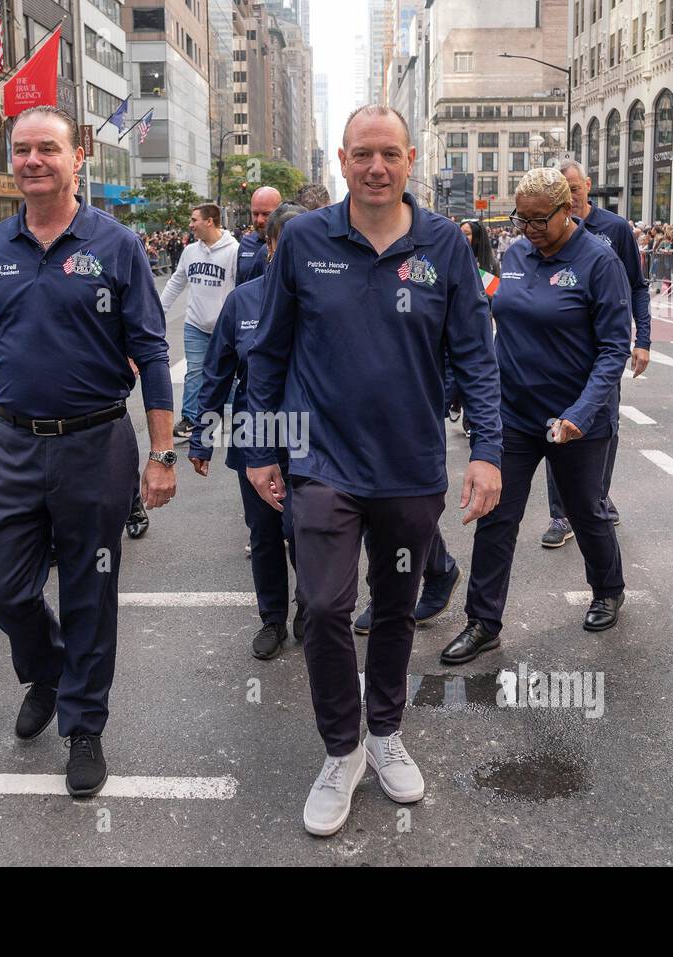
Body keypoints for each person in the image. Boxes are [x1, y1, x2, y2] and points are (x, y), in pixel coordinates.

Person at [245, 105, 502, 837]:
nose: (376, 167)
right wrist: (262, 447)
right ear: (342, 159)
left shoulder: (445, 244)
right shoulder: (301, 240)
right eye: (363, 154)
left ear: (410, 158)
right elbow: (268, 352)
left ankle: (384, 730)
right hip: (322, 462)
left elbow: (477, 359)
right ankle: (342, 746)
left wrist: (487, 451)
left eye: (389, 153)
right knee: (324, 606)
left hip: (410, 467)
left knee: (394, 607)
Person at [0, 106, 177, 799]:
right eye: (21, 150)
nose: (33, 160)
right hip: (8, 443)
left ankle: (83, 726)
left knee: (88, 589)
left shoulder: (117, 244)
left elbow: (152, 352)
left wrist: (161, 452)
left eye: (49, 148)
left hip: (95, 443)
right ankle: (47, 668)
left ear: (80, 159)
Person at [441, 167, 629, 668]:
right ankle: (482, 622)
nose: (528, 230)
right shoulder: (518, 253)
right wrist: (461, 386)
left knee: (585, 510)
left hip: (575, 420)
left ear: (568, 210)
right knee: (496, 515)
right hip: (515, 414)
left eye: (538, 220)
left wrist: (581, 413)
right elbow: (492, 324)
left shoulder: (599, 261)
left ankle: (608, 590)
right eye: (520, 220)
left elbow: (614, 349)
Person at [189, 203, 307, 660]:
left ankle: (309, 608)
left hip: (311, 436)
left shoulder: (329, 300)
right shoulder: (244, 300)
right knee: (263, 532)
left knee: (304, 529)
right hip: (253, 432)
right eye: (288, 244)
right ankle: (272, 618)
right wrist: (202, 435)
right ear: (272, 246)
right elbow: (216, 372)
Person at [538, 159, 650, 549]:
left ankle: (595, 496)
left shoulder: (615, 229)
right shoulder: (548, 232)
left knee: (605, 428)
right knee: (558, 427)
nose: (570, 194)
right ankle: (559, 513)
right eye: (562, 189)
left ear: (588, 185)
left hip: (604, 350)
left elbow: (638, 285)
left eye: (575, 187)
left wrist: (644, 340)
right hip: (560, 352)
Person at [160, 203, 238, 440]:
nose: (191, 225)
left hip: (224, 327)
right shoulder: (190, 251)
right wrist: (157, 312)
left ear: (209, 221)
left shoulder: (234, 250)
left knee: (229, 374)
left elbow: (240, 289)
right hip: (195, 324)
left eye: (194, 220)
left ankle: (242, 414)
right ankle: (191, 419)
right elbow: (176, 282)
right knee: (194, 372)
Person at [236, 186, 282, 283]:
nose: (259, 220)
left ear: (280, 212)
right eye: (255, 214)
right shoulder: (245, 243)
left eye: (266, 214)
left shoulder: (288, 243)